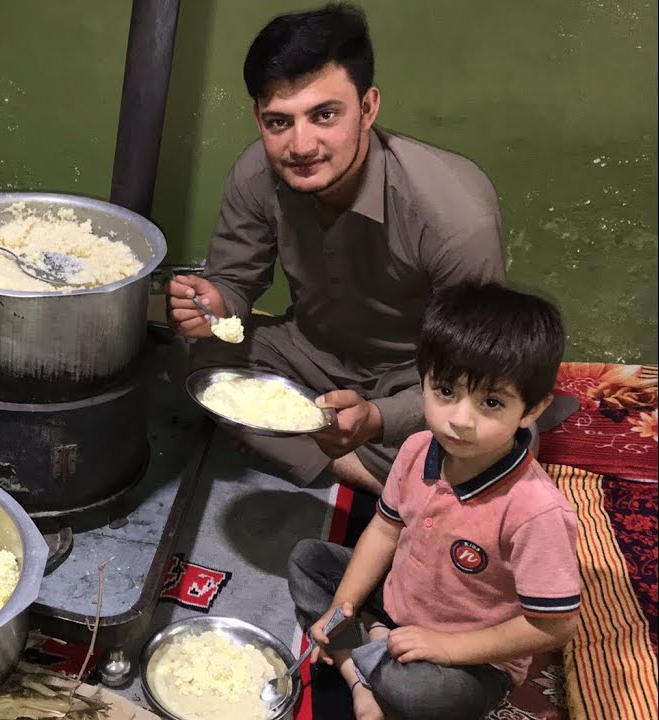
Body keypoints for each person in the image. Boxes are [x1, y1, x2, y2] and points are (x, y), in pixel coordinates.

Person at [166, 3, 505, 494]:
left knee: (488, 437)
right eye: (279, 122)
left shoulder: (454, 213)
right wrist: (215, 306)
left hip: (421, 376)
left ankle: (310, 446)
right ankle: (368, 475)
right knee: (192, 357)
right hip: (311, 354)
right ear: (258, 116)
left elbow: (479, 369)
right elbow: (234, 283)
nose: (301, 145)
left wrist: (379, 417)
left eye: (324, 115)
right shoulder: (255, 174)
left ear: (368, 108)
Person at [286, 283, 580, 720]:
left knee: (425, 697)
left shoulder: (536, 511)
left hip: (474, 654)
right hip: (398, 602)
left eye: (492, 402)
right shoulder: (417, 448)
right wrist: (341, 608)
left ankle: (366, 660)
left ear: (533, 409)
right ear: (422, 379)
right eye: (445, 391)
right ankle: (359, 677)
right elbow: (385, 530)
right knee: (308, 560)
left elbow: (556, 625)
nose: (460, 420)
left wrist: (447, 647)